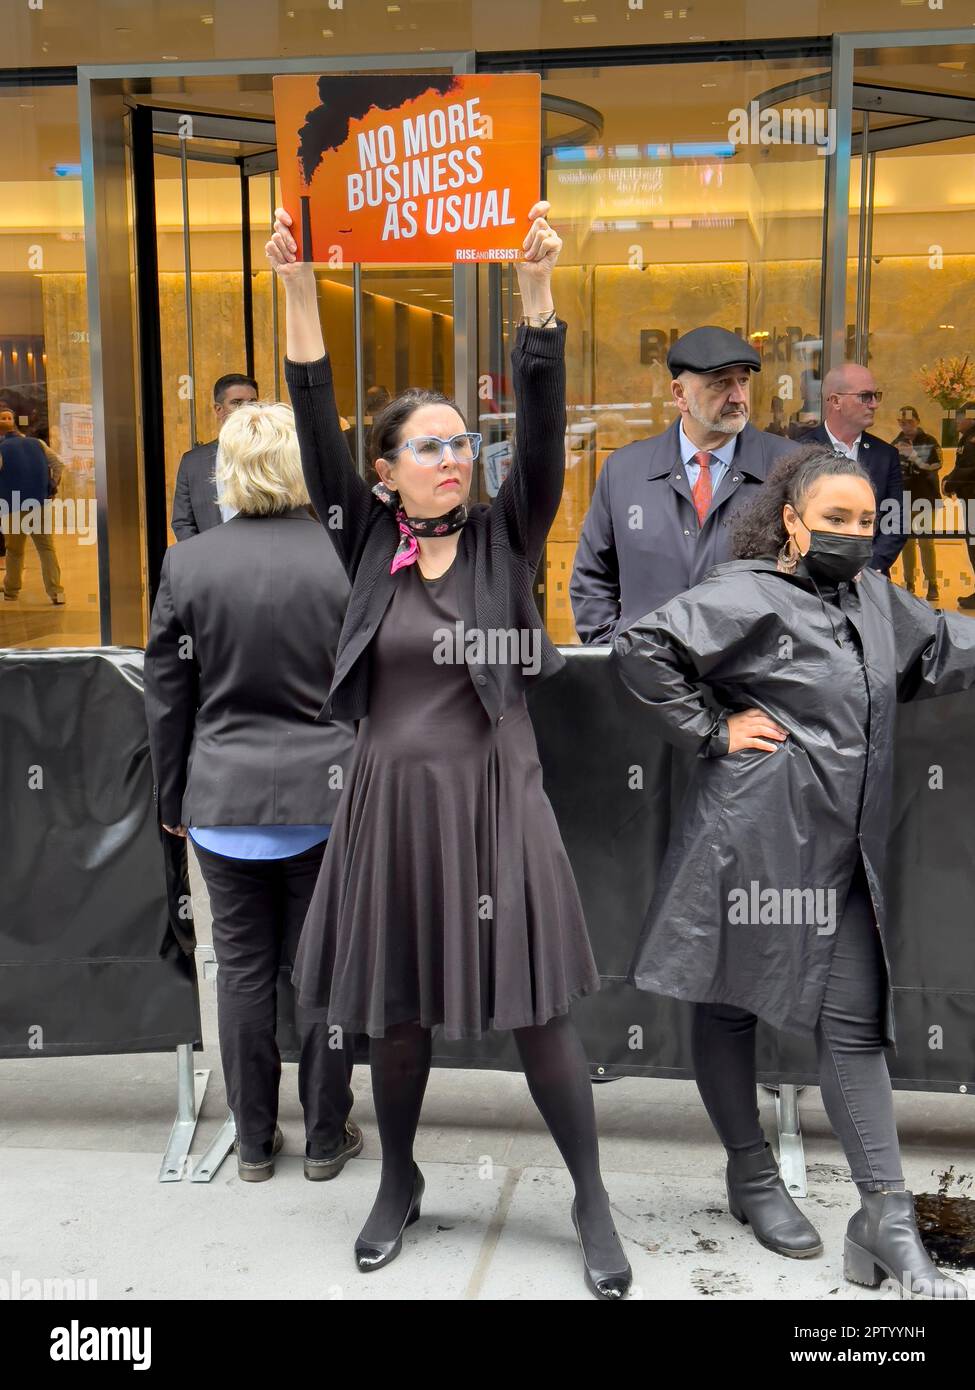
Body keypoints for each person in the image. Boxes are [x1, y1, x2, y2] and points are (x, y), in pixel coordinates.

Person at [268, 200, 632, 1299]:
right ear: (383, 473)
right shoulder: (364, 532)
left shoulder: (507, 531)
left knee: (537, 1014)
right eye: (428, 446)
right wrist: (295, 283)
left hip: (494, 799)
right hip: (389, 802)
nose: (454, 458)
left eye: (460, 443)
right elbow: (314, 405)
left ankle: (592, 1196)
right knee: (398, 1009)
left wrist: (533, 294)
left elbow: (540, 408)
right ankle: (403, 1180)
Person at [614, 443, 975, 1299]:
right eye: (835, 519)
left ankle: (882, 1215)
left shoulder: (879, 603)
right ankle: (750, 1175)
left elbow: (945, 648)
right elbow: (641, 650)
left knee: (850, 1024)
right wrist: (714, 730)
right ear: (790, 520)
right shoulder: (746, 594)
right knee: (729, 1003)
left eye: (865, 521)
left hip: (840, 849)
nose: (853, 533)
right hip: (753, 841)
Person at [144, 398, 360, 1183]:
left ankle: (256, 1142)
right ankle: (327, 1138)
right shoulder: (345, 557)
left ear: (226, 473)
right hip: (329, 798)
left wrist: (172, 801)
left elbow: (167, 695)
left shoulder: (188, 564)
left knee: (239, 973)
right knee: (321, 974)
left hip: (223, 798)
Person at [570, 326, 794, 644]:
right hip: (646, 681)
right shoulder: (624, 470)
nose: (739, 397)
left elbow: (813, 581)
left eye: (743, 381)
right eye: (721, 384)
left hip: (749, 684)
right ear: (680, 394)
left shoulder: (790, 468)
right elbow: (592, 577)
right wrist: (614, 653)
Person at [801, 364, 905, 575]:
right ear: (836, 401)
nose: (874, 404)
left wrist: (867, 568)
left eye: (876, 396)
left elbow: (896, 521)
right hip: (811, 579)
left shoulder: (886, 455)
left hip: (870, 580)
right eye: (865, 396)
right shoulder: (799, 451)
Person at [171, 374, 259, 538]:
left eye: (253, 403)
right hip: (210, 559)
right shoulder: (193, 462)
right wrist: (201, 558)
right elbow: (183, 522)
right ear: (219, 410)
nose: (247, 409)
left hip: (263, 559)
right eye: (237, 403)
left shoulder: (273, 455)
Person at [0, 405, 65, 604]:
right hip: (39, 504)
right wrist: (52, 485)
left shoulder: (1, 448)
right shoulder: (37, 443)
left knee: (15, 551)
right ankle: (56, 592)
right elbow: (59, 464)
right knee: (46, 548)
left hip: (12, 506)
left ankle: (11, 591)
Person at [891, 406, 942, 602]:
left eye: (910, 422)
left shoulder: (929, 442)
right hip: (904, 498)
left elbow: (936, 466)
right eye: (902, 423)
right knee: (907, 543)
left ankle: (932, 583)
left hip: (925, 497)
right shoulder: (895, 444)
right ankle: (909, 582)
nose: (906, 426)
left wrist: (913, 455)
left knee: (926, 542)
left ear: (918, 421)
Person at [942, 420, 975, 611]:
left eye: (961, 416)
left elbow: (970, 469)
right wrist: (948, 479)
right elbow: (960, 465)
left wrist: (951, 483)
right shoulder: (966, 438)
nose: (956, 421)